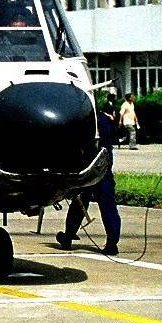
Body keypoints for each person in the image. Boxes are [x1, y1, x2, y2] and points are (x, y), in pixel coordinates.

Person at [57, 104, 121, 255]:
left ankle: (68, 236)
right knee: (108, 205)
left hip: (86, 169)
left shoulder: (82, 120)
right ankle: (112, 242)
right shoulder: (105, 121)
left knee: (80, 203)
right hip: (103, 168)